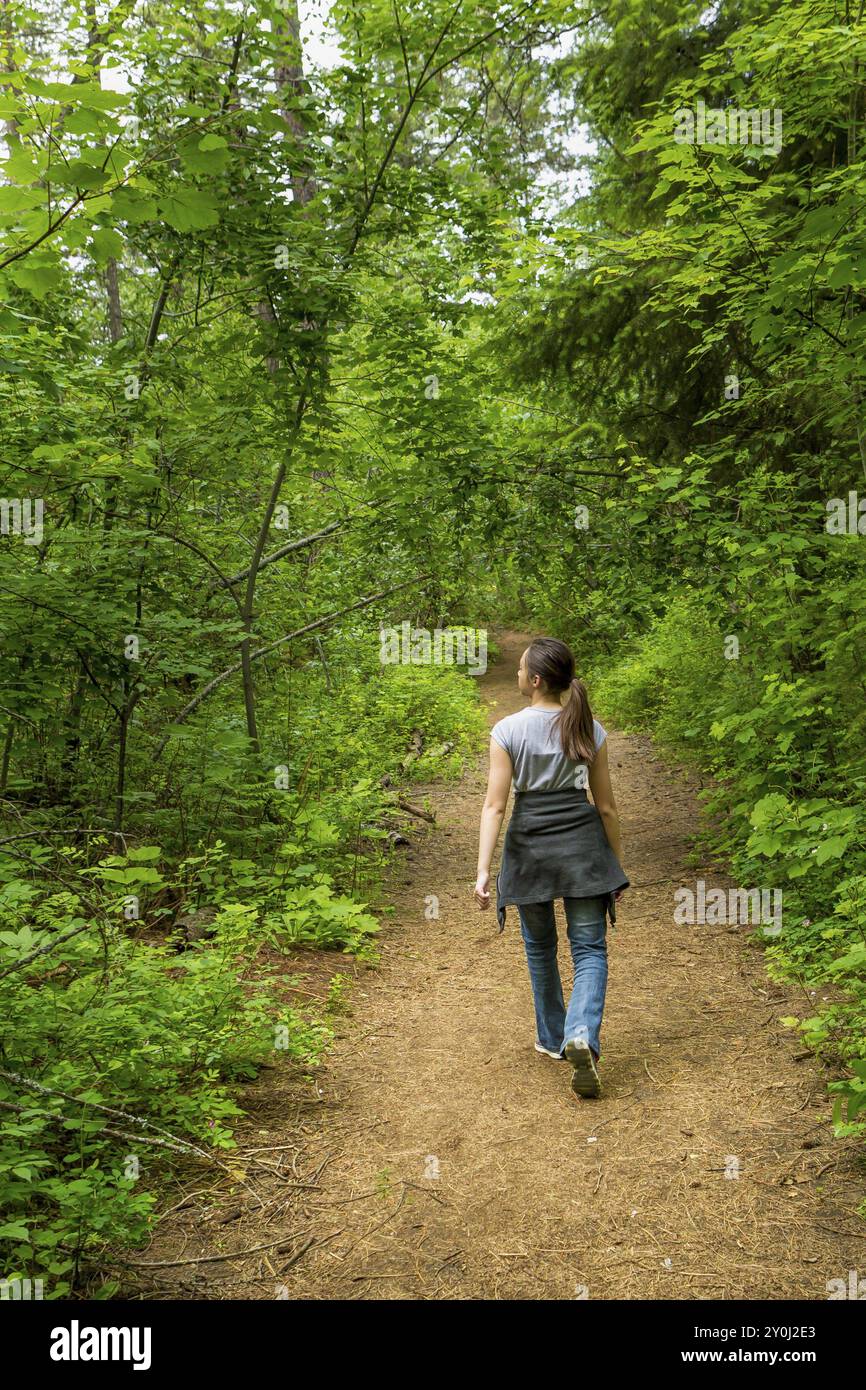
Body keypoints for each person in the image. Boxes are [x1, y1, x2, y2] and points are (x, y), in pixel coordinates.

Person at [474, 637, 628, 1098]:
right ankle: (580, 1031)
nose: (517, 675)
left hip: (530, 849)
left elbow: (494, 807)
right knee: (589, 950)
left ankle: (553, 1038)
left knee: (539, 948)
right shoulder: (589, 728)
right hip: (582, 847)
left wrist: (484, 871)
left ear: (536, 680)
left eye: (521, 670)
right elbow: (606, 808)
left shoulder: (507, 730)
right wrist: (612, 865)